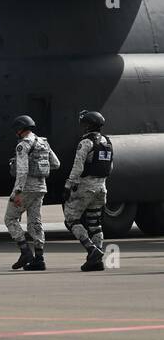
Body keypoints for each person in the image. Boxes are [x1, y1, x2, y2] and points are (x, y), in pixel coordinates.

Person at [7, 115, 60, 271]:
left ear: (19, 129)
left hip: (26, 189)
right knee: (35, 223)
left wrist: (17, 192)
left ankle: (25, 252)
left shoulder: (23, 145)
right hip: (40, 188)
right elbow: (56, 164)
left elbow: (22, 171)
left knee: (10, 219)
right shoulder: (43, 142)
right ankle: (39, 258)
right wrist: (39, 167)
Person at [64, 110, 112, 272]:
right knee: (94, 223)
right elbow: (110, 167)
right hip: (101, 187)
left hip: (86, 186)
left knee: (71, 220)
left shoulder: (86, 143)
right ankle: (96, 261)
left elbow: (78, 166)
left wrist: (68, 186)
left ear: (88, 125)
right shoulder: (107, 142)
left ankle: (92, 250)